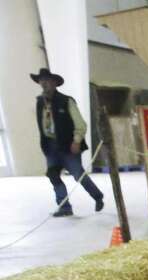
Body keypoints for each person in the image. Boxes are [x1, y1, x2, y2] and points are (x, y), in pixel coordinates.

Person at [33, 67, 104, 218]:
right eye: (41, 81)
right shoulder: (39, 102)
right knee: (53, 174)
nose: (44, 84)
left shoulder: (66, 101)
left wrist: (76, 141)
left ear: (54, 83)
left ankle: (97, 197)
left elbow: (81, 124)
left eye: (47, 81)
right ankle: (64, 207)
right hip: (50, 146)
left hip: (68, 145)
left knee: (78, 174)